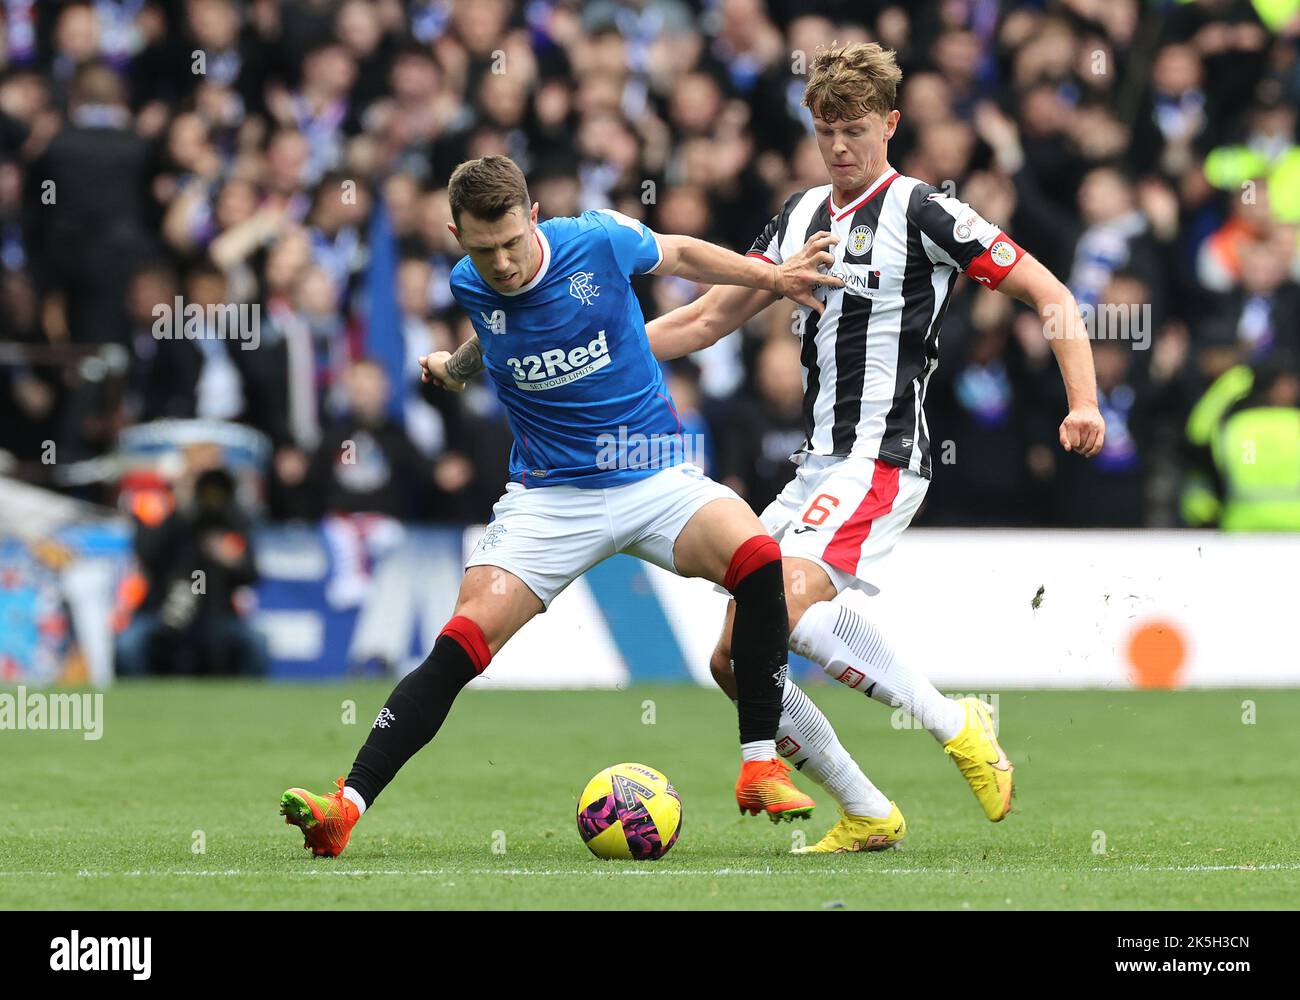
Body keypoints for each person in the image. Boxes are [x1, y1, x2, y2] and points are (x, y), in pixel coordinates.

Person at [280, 153, 842, 857]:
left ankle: (759, 763)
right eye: (485, 251)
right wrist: (452, 370)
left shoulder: (597, 240)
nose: (505, 263)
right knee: (462, 642)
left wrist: (774, 275)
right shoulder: (468, 283)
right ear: (458, 237)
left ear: (535, 217)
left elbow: (683, 253)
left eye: (513, 242)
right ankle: (345, 808)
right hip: (549, 499)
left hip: (650, 473)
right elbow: (493, 335)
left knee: (758, 559)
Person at [644, 42, 1107, 852]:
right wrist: (604, 356)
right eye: (824, 130)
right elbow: (706, 319)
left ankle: (954, 721)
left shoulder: (926, 211)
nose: (838, 148)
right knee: (730, 658)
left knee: (781, 604)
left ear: (891, 125)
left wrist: (1085, 400)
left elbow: (1050, 292)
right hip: (816, 465)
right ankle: (867, 810)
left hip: (883, 459)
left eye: (854, 129)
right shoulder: (796, 216)